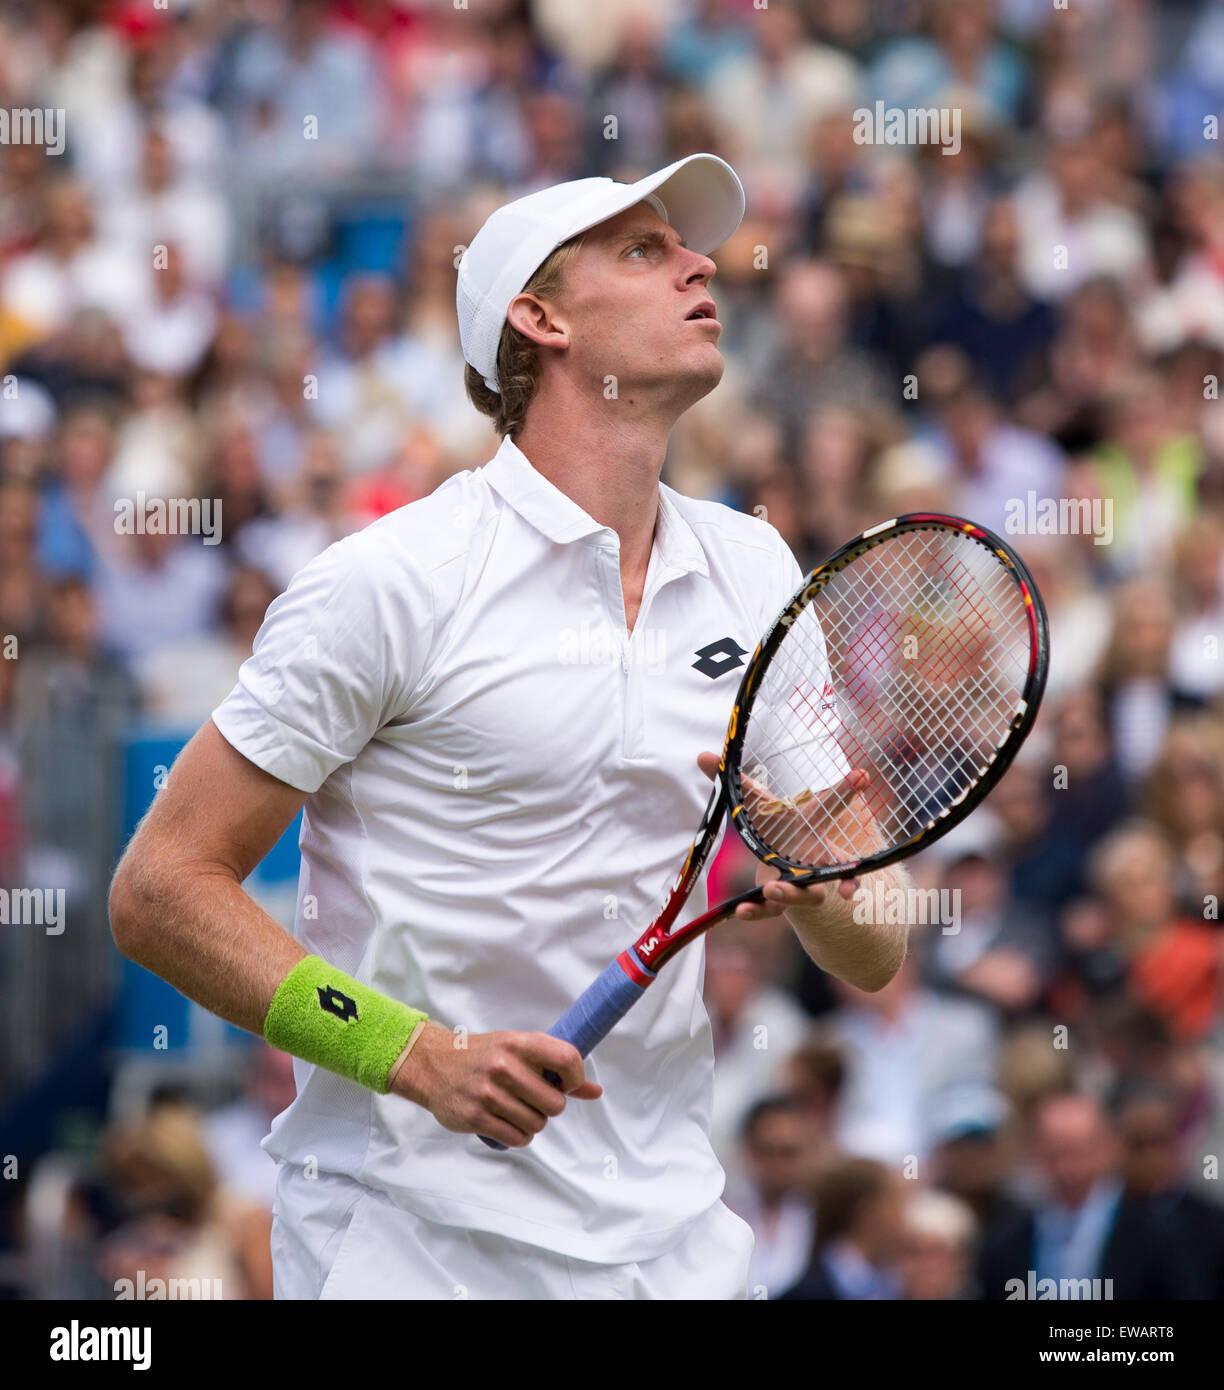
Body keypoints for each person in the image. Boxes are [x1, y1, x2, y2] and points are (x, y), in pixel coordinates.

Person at [108, 153, 912, 1301]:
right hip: (406, 1241)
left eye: (686, 247)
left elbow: (875, 945)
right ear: (539, 321)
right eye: (644, 250)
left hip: (677, 1241)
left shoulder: (754, 564)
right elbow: (159, 890)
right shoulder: (390, 581)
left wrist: (830, 888)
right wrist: (418, 1057)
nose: (699, 263)